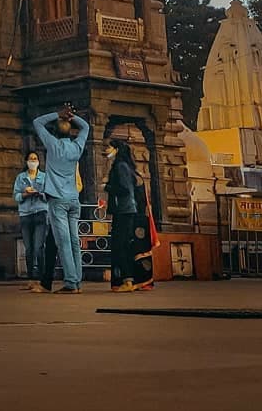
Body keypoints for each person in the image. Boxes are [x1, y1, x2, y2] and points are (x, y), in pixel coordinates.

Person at [33, 105, 90, 293]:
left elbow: (37, 122)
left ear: (55, 132)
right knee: (74, 241)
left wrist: (58, 114)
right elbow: (86, 127)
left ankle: (71, 282)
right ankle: (78, 281)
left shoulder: (52, 144)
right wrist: (72, 117)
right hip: (74, 198)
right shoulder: (76, 147)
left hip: (57, 199)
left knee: (63, 241)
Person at [100, 138, 158, 292]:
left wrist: (108, 186)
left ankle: (128, 280)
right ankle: (127, 280)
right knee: (122, 245)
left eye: (109, 147)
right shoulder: (123, 166)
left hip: (124, 211)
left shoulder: (120, 167)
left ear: (116, 150)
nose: (106, 150)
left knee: (121, 246)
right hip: (124, 210)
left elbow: (125, 189)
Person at [13, 151, 48, 280]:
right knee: (28, 248)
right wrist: (24, 194)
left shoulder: (44, 177)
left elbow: (48, 195)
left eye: (35, 159)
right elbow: (15, 196)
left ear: (38, 162)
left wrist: (39, 194)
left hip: (40, 213)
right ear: (26, 161)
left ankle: (42, 275)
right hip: (25, 214)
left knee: (39, 246)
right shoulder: (20, 177)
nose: (33, 161)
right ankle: (31, 277)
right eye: (30, 159)